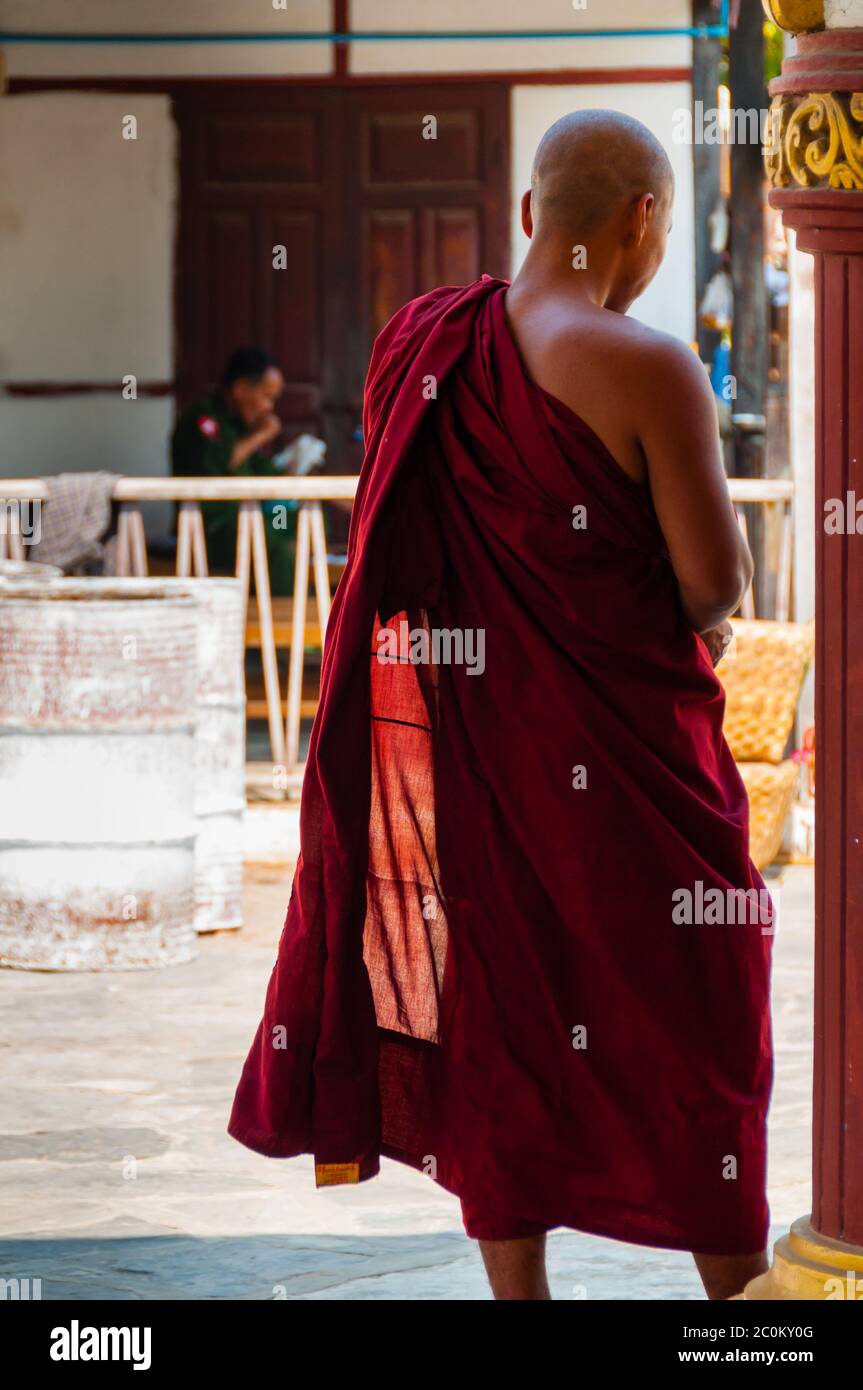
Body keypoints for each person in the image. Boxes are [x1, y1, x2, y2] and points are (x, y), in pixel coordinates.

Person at [228, 111, 773, 1302]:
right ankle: (737, 1302)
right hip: (631, 786)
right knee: (700, 1017)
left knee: (506, 1022)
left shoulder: (422, 341)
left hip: (477, 773)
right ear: (643, 221)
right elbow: (713, 581)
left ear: (531, 215)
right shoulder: (649, 366)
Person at [170, 347, 299, 593]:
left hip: (247, 519)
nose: (269, 408)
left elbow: (266, 471)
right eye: (267, 397)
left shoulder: (240, 425)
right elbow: (223, 462)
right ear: (240, 388)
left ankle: (326, 610)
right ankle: (293, 621)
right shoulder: (201, 419)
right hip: (211, 528)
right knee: (276, 546)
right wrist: (261, 435)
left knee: (302, 521)